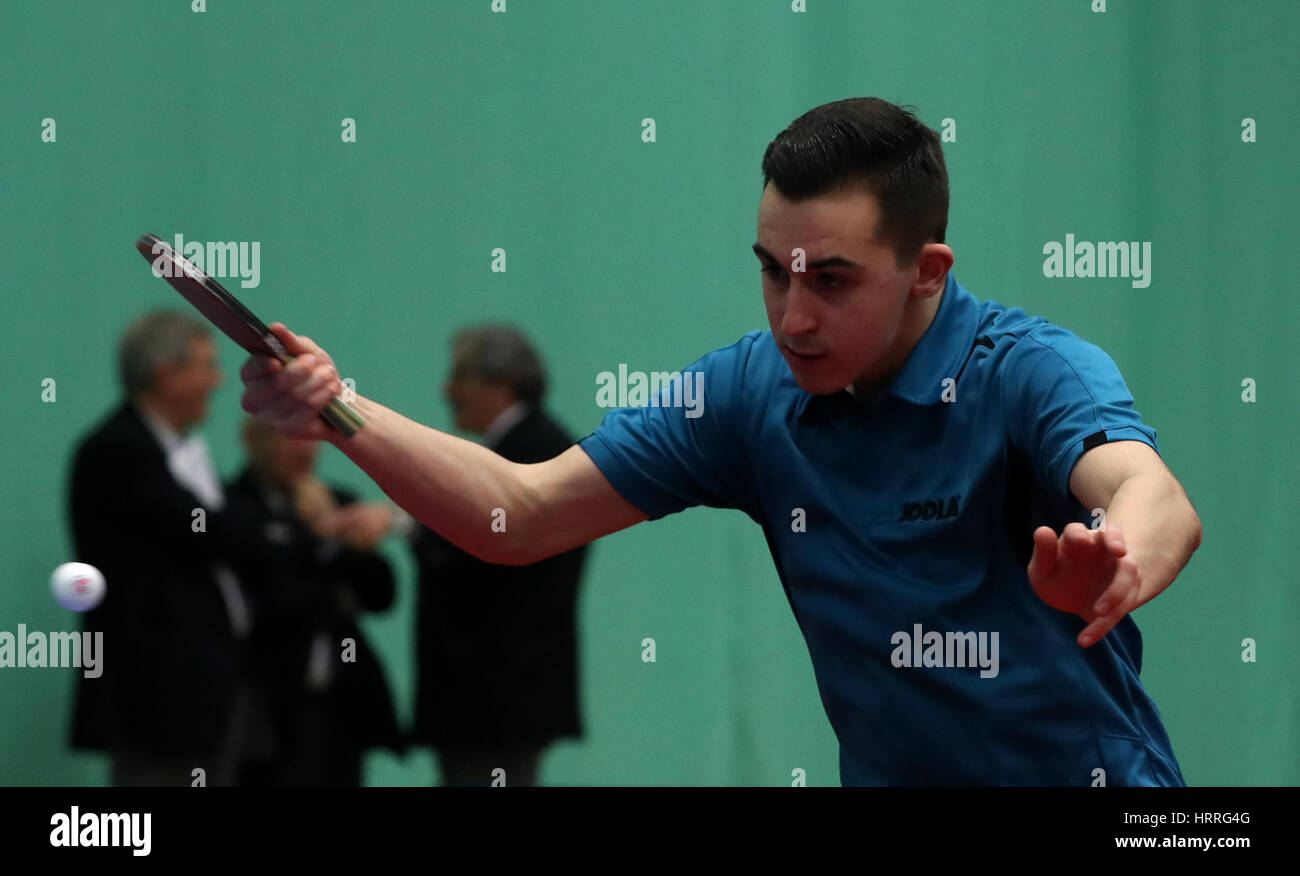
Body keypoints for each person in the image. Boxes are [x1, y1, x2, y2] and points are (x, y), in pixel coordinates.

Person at [236, 97, 1204, 786]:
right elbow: (515, 516)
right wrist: (338, 409)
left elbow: (1151, 494)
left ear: (925, 271)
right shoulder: (748, 392)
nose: (792, 318)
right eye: (773, 275)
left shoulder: (1027, 369)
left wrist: (1118, 557)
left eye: (830, 280)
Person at [67, 309, 260, 786]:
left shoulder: (173, 450)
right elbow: (208, 533)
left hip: (200, 689)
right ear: (166, 375)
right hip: (160, 693)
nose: (217, 381)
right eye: (205, 367)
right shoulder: (118, 451)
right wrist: (280, 526)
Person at [405, 326, 588, 787]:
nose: (447, 389)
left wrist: (402, 526)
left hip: (496, 698)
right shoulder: (528, 447)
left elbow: (491, 538)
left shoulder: (534, 451)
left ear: (501, 382)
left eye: (459, 375)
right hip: (496, 698)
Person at [224, 418, 404, 786]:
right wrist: (325, 542)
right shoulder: (230, 508)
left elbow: (380, 595)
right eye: (289, 435)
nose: (304, 449)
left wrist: (331, 532)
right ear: (251, 439)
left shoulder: (338, 502)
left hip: (340, 709)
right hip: (266, 710)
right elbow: (277, 598)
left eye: (313, 438)